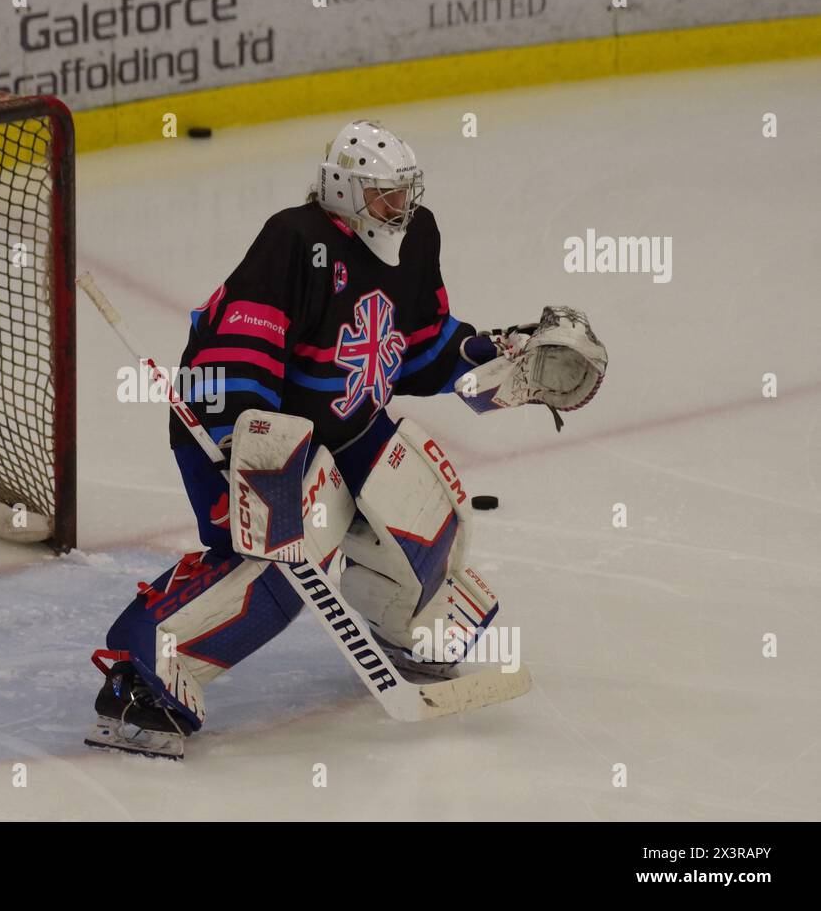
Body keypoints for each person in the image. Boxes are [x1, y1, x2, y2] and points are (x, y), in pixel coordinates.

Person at [85, 120, 605, 759]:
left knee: (421, 499)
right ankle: (143, 674)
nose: (401, 208)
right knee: (282, 558)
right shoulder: (295, 241)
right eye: (386, 195)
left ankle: (410, 629)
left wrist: (486, 358)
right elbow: (234, 357)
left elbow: (414, 348)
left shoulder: (414, 239)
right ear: (343, 190)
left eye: (405, 192)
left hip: (347, 422)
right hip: (243, 432)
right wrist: (253, 453)